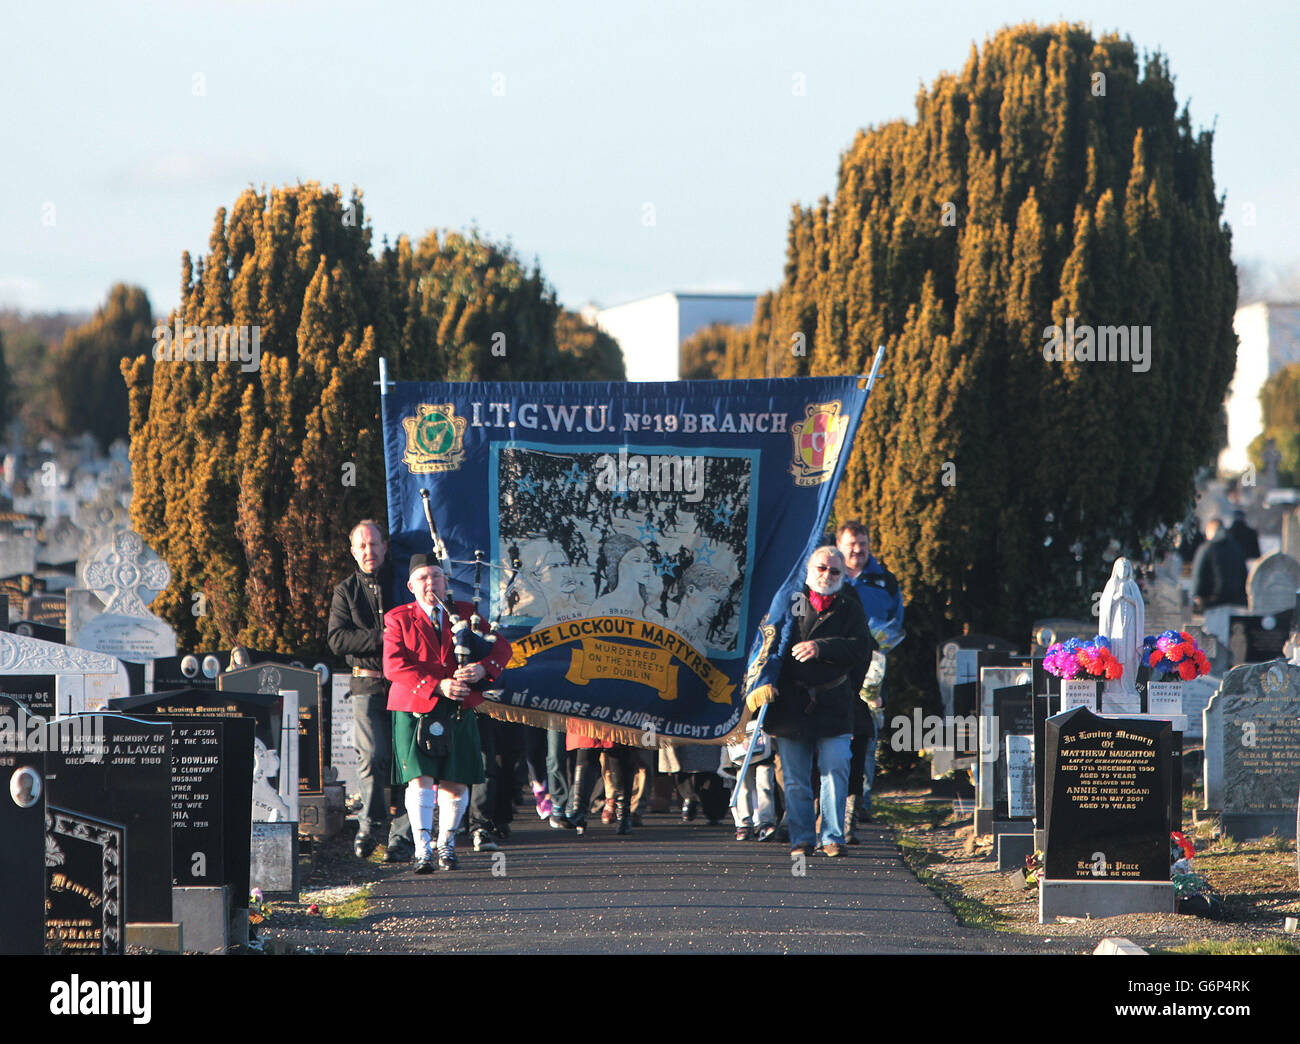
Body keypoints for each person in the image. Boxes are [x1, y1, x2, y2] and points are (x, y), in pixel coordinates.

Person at [384, 555, 513, 872]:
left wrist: (482, 667)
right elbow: (393, 665)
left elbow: (501, 648)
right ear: (411, 585)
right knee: (421, 780)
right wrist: (436, 685)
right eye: (424, 578)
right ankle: (422, 849)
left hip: (458, 708)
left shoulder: (465, 614)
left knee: (456, 781)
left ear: (446, 582)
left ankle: (447, 846)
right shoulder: (398, 618)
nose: (431, 583)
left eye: (437, 576)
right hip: (416, 706)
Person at [754, 546, 872, 858]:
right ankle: (802, 839)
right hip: (791, 703)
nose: (827, 576)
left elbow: (861, 649)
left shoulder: (850, 605)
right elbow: (769, 643)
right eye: (821, 568)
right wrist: (766, 682)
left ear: (843, 574)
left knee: (836, 768)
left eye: (835, 571)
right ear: (809, 569)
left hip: (834, 701)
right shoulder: (789, 598)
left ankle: (832, 837)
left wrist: (822, 648)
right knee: (794, 779)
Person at [328, 520, 414, 863]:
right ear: (353, 551)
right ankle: (371, 823)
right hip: (367, 683)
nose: (368, 552)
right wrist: (384, 637)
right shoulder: (344, 591)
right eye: (361, 546)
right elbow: (337, 639)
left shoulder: (402, 583)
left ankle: (403, 837)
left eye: (373, 545)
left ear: (384, 546)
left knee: (408, 761)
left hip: (406, 684)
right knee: (373, 756)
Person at [836, 520, 905, 839]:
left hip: (872, 670)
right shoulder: (829, 577)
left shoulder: (884, 581)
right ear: (839, 545)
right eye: (851, 544)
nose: (858, 550)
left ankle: (861, 800)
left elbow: (896, 620)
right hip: (835, 669)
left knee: (868, 735)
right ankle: (834, 803)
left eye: (862, 544)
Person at [1192, 518, 1248, 610]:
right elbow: (1243, 573)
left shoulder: (1206, 548)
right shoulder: (1236, 547)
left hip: (1211, 601)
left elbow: (1199, 574)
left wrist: (1197, 595)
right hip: (1235, 600)